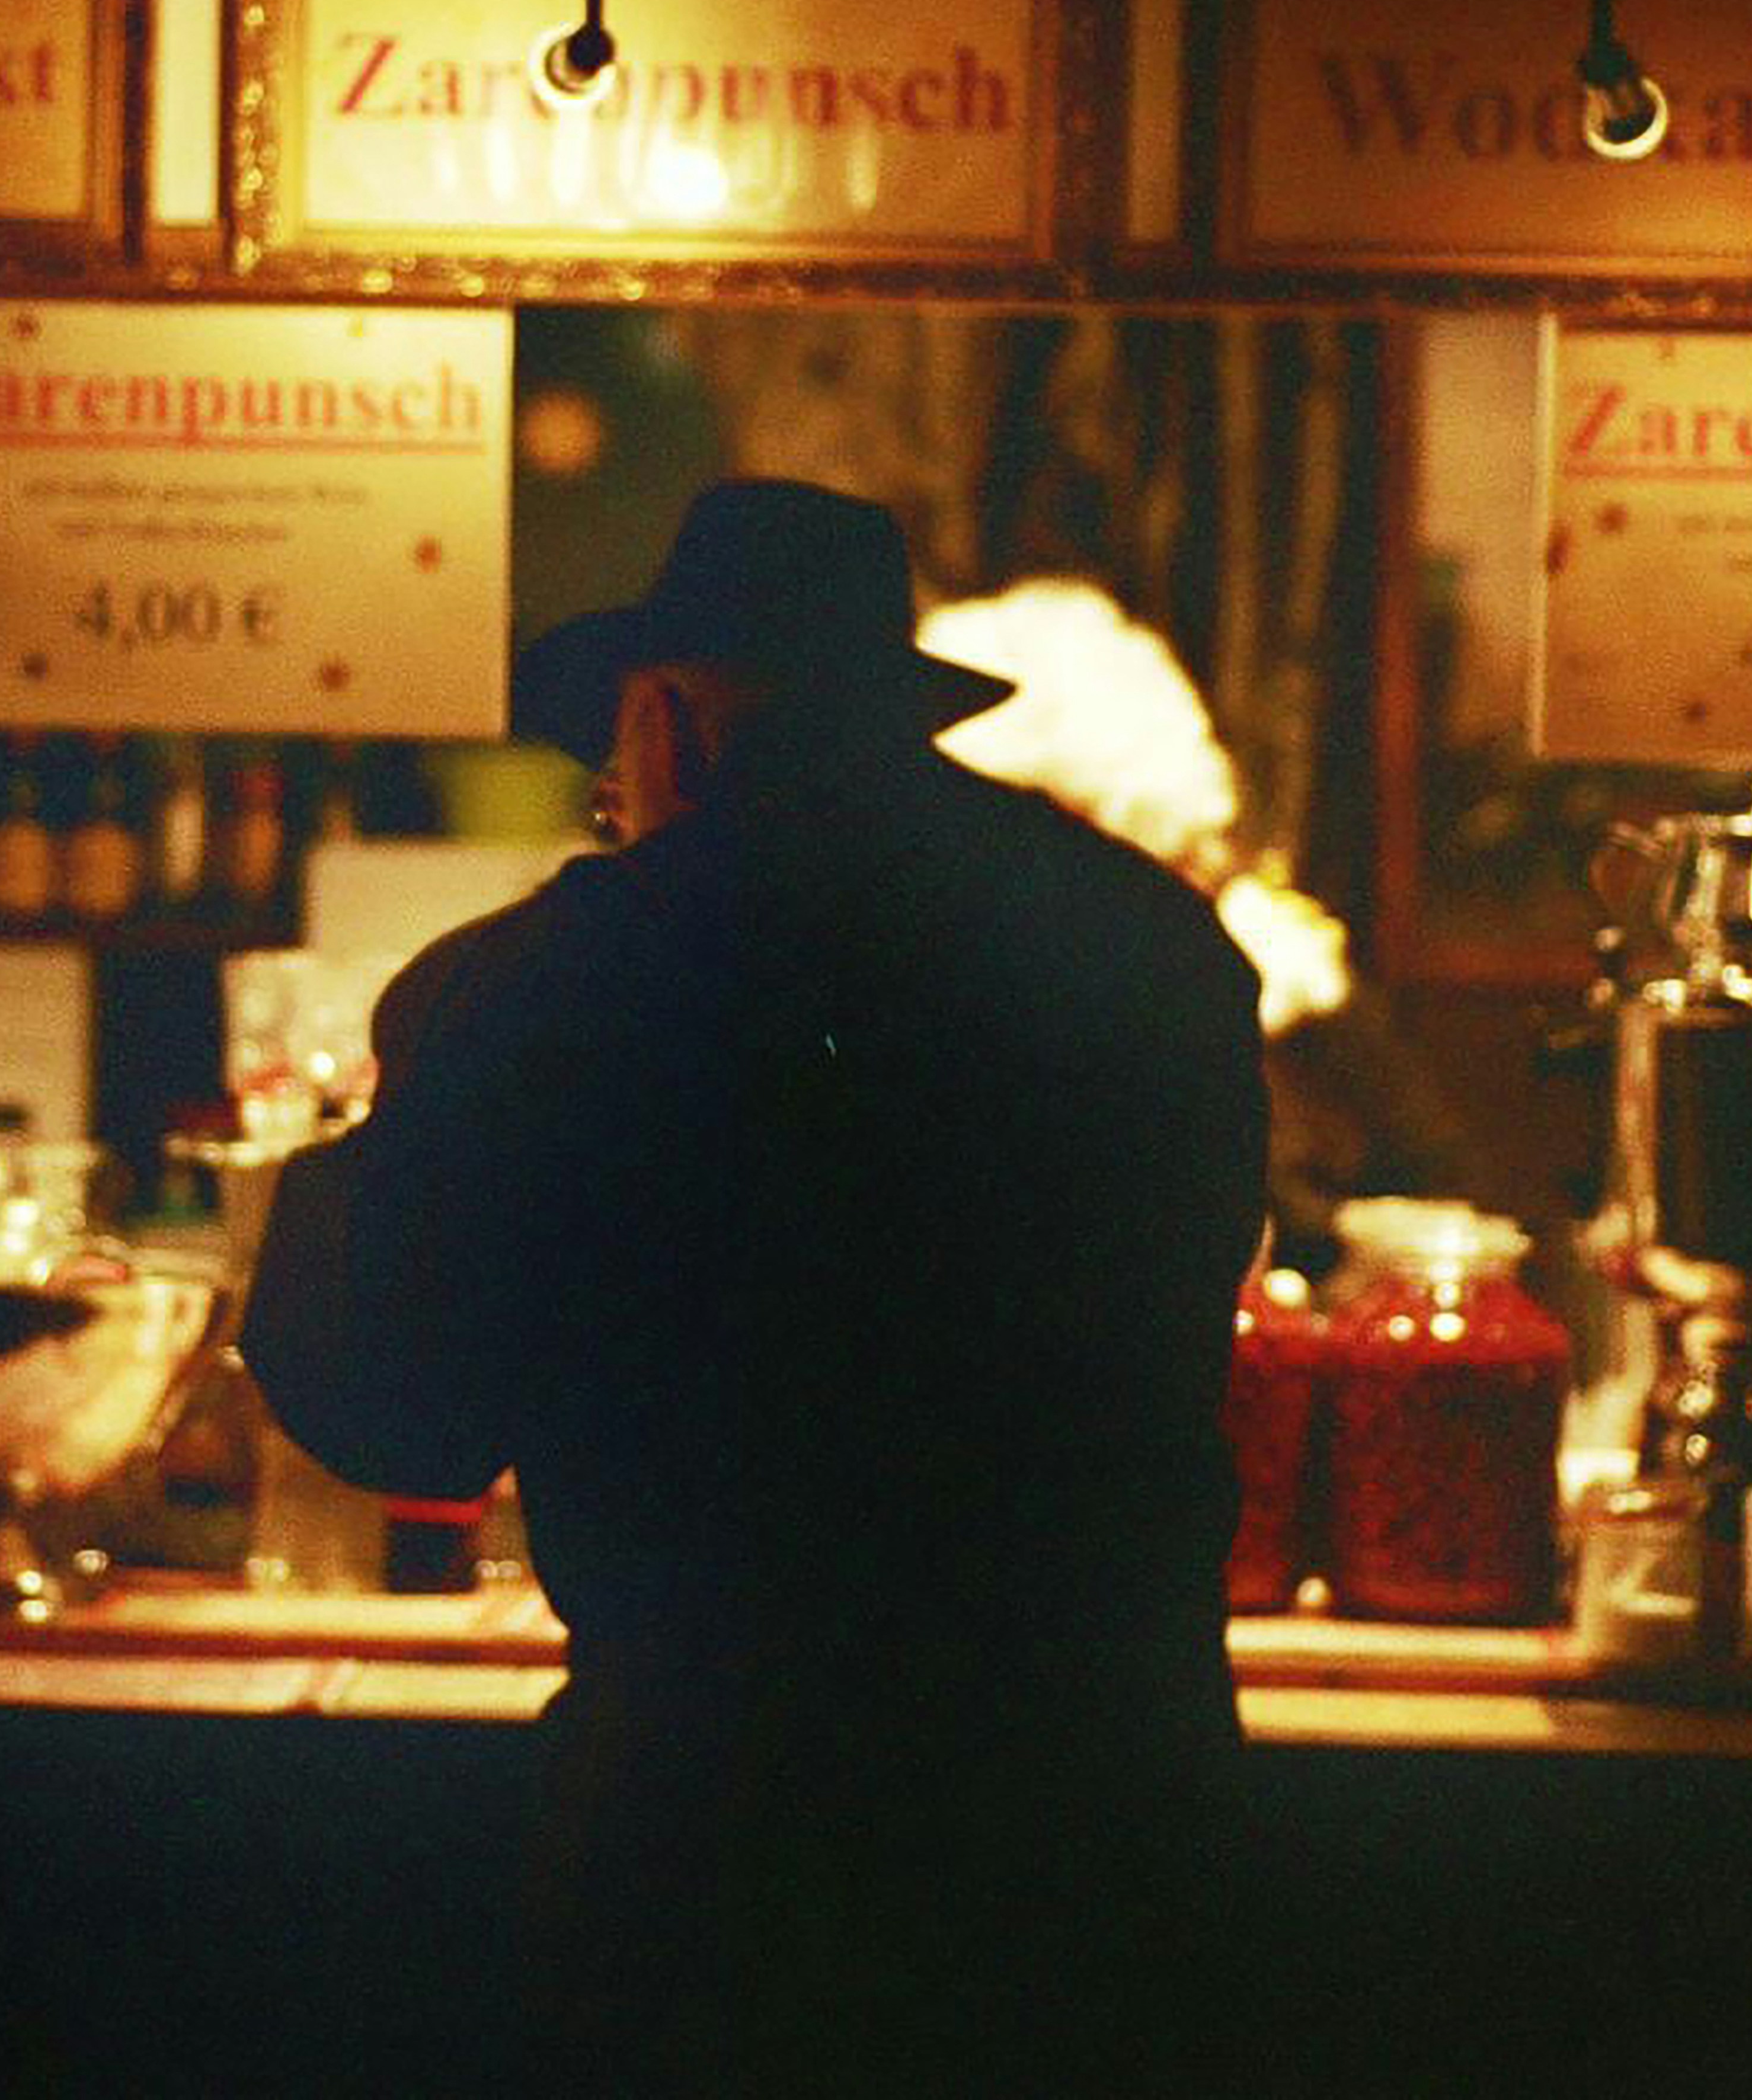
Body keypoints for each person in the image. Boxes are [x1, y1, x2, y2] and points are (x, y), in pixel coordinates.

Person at [245, 478, 1270, 2092]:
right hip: (1111, 1824)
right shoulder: (1156, 944)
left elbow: (401, 1414)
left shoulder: (540, 981)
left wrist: (332, 1171)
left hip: (717, 1845)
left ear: (668, 720)